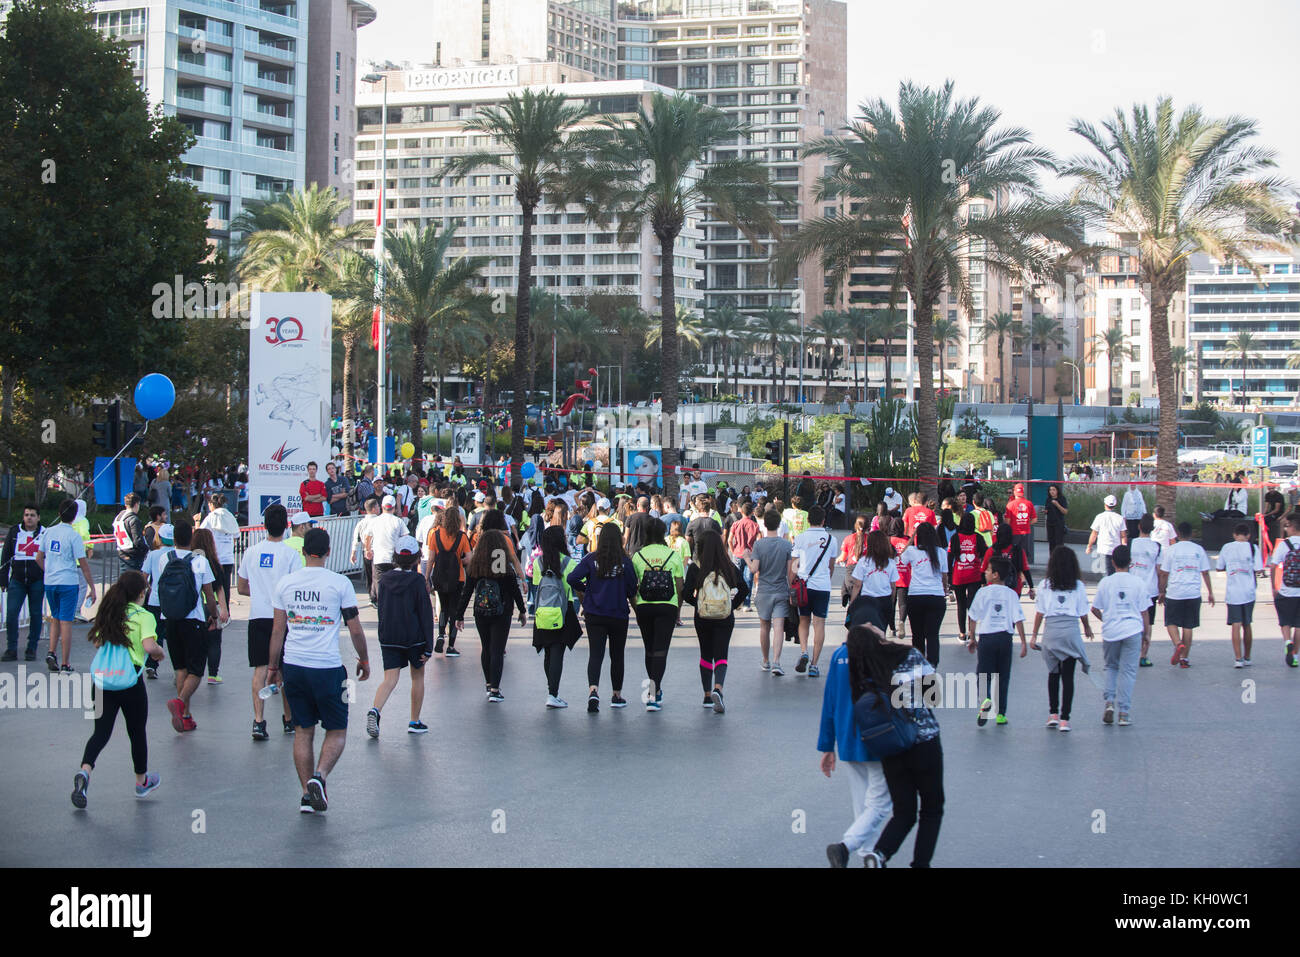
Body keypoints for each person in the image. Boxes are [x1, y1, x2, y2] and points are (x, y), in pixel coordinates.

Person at [267, 528, 370, 813]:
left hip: (294, 666)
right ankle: (320, 777)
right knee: (337, 730)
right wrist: (364, 659)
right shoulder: (339, 584)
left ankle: (305, 795)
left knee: (303, 731)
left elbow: (277, 630)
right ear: (327, 552)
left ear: (302, 552)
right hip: (327, 667)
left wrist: (273, 667)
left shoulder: (286, 584)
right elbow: (355, 628)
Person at [849, 623, 944, 869]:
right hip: (924, 740)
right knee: (932, 808)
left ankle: (879, 855)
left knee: (904, 811)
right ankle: (920, 863)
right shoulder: (909, 654)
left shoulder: (864, 673)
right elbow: (934, 696)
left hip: (892, 748)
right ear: (876, 638)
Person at [70, 570, 166, 809]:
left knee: (100, 732)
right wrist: (159, 653)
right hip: (130, 681)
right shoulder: (144, 616)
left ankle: (85, 771)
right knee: (136, 732)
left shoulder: (110, 612)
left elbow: (98, 642)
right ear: (142, 593)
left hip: (103, 681)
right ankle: (141, 782)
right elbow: (148, 645)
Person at [819, 627, 893, 867]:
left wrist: (827, 745)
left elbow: (829, 701)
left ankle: (867, 853)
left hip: (848, 739)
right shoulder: (882, 655)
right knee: (881, 801)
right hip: (879, 740)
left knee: (861, 801)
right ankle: (848, 847)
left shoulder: (839, 655)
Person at [236, 503, 300, 739]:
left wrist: (262, 593)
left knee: (260, 670)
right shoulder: (291, 555)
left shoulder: (251, 552)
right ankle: (288, 719)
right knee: (284, 668)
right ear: (286, 526)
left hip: (258, 616)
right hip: (282, 619)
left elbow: (242, 587)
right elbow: (294, 589)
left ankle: (258, 721)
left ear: (264, 525)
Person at [150, 520, 218, 733]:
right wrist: (214, 615)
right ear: (191, 537)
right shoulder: (199, 561)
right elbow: (209, 594)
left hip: (169, 618)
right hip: (194, 620)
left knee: (180, 668)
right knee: (196, 670)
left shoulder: (164, 559)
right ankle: (180, 702)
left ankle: (186, 716)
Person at [367, 535, 434, 736]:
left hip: (389, 636)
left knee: (389, 679)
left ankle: (375, 710)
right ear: (416, 558)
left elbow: (381, 608)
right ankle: (414, 721)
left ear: (395, 556)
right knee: (417, 677)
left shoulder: (385, 579)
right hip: (414, 637)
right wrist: (428, 646)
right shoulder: (417, 581)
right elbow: (425, 613)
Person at [567, 523, 636, 712]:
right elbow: (632, 588)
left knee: (595, 653)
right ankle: (616, 694)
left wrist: (587, 590)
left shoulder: (591, 559)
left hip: (594, 612)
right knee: (617, 655)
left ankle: (593, 690)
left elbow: (572, 578)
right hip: (618, 613)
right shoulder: (625, 561)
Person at [454, 528, 528, 703]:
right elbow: (513, 588)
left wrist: (459, 615)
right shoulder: (502, 564)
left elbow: (467, 591)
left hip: (481, 611)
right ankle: (495, 689)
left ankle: (488, 684)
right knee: (497, 649)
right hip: (502, 611)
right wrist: (522, 610)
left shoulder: (476, 564)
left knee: (486, 647)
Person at [682, 528, 749, 713]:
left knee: (705, 654)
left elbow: (686, 593)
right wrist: (732, 605)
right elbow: (744, 588)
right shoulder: (727, 566)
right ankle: (718, 688)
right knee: (721, 654)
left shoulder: (697, 567)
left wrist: (699, 604)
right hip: (724, 617)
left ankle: (706, 695)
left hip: (703, 617)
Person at [1030, 545, 1094, 732]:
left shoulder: (1045, 585)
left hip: (1051, 632)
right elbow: (1083, 612)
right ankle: (1065, 719)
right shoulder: (1078, 585)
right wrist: (1087, 627)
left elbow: (1040, 612)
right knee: (1068, 677)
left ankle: (1053, 714)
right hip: (1070, 632)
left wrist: (1034, 635)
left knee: (1053, 673)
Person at [630, 516, 686, 711]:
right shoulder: (673, 555)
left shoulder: (638, 556)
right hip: (667, 606)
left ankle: (653, 690)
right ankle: (656, 691)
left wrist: (636, 606)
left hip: (644, 605)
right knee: (661, 650)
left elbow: (631, 585)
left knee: (649, 649)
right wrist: (678, 609)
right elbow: (679, 586)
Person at [965, 558, 1028, 727]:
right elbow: (1018, 619)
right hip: (1004, 638)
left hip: (986, 638)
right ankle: (1001, 714)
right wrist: (1023, 642)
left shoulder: (982, 592)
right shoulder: (1011, 594)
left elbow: (972, 616)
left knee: (983, 674)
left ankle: (986, 700)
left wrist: (972, 637)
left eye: (988, 570)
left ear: (995, 575)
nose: (985, 572)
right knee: (1003, 676)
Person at [36, 499, 97, 673]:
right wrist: (92, 588)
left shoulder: (48, 532)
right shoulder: (74, 536)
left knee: (55, 617)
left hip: (50, 582)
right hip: (68, 582)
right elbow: (84, 565)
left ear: (58, 514)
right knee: (66, 623)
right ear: (75, 516)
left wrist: (48, 571)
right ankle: (65, 663)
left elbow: (38, 558)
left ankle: (51, 652)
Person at [527, 525, 582, 709]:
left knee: (548, 651)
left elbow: (536, 588)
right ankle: (553, 693)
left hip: (542, 612)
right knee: (558, 651)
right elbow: (575, 587)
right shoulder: (568, 562)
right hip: (562, 611)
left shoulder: (538, 563)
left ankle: (551, 689)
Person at [1090, 545, 1146, 726]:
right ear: (1130, 562)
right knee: (1128, 671)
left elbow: (1094, 608)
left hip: (1111, 630)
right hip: (1132, 629)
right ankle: (1124, 712)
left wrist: (1106, 619)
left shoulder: (1106, 582)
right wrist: (1147, 633)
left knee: (1111, 667)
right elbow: (1144, 611)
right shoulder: (1138, 583)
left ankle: (1109, 702)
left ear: (1112, 562)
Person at [1158, 521, 1214, 668]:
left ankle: (1178, 643)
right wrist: (1210, 592)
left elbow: (1164, 573)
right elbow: (1206, 572)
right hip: (1193, 593)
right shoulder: (1199, 549)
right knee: (1188, 626)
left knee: (1171, 622)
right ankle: (1184, 659)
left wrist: (1162, 591)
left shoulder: (1172, 550)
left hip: (1175, 593)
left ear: (1178, 533)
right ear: (1192, 534)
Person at [789, 505, 836, 678]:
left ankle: (803, 651)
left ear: (808, 520)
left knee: (803, 620)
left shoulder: (800, 538)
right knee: (819, 624)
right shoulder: (831, 539)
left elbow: (794, 563)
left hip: (803, 585)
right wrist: (825, 578)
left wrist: (790, 583)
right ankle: (815, 664)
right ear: (824, 520)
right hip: (822, 586)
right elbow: (831, 567)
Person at [749, 509, 793, 676]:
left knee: (764, 627)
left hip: (764, 591)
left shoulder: (759, 545)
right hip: (781, 589)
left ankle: (765, 660)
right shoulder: (786, 545)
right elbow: (790, 572)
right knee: (779, 626)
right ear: (779, 524)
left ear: (765, 524)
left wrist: (747, 557)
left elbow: (754, 569)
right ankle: (777, 661)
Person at [900, 522, 949, 667]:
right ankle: (932, 664)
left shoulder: (912, 551)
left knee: (917, 635)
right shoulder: (940, 552)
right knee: (933, 635)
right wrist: (944, 589)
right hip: (936, 597)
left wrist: (911, 539)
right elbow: (944, 575)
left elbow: (900, 558)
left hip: (916, 596)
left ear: (918, 537)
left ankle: (918, 663)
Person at [427, 505, 472, 656]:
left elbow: (431, 558)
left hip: (440, 576)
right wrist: (459, 559)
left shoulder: (436, 534)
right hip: (456, 577)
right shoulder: (461, 537)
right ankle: (451, 646)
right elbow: (469, 558)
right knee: (454, 610)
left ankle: (440, 634)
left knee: (444, 607)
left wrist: (427, 577)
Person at [1217, 521, 1263, 668]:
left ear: (1234, 535)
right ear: (1248, 535)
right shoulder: (1253, 548)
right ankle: (1248, 657)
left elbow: (1219, 567)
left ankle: (1238, 658)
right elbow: (1258, 569)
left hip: (1233, 592)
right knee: (1247, 624)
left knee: (1235, 625)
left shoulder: (1227, 547)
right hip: (1249, 592)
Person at [2, 503, 44, 662]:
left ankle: (31, 648)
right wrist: (3, 578)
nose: (29, 518)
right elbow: (6, 555)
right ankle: (11, 648)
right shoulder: (14, 532)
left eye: (32, 515)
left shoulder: (44, 533)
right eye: (26, 515)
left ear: (38, 517)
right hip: (17, 580)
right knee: (12, 613)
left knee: (35, 614)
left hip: (37, 580)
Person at [190, 528, 231, 685]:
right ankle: (213, 675)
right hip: (212, 605)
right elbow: (219, 588)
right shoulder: (214, 563)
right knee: (214, 642)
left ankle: (191, 673)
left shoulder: (190, 560)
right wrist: (224, 609)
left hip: (195, 606)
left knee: (195, 642)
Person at [1127, 514, 1165, 668]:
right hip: (1150, 590)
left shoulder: (1130, 544)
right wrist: (1162, 591)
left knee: (1131, 621)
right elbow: (1160, 571)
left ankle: (1130, 653)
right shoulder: (1157, 547)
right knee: (1148, 623)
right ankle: (1143, 655)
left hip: (1132, 589)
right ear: (1153, 529)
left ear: (1138, 527)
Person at [844, 530, 897, 636]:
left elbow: (857, 585)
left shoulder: (864, 561)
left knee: (868, 633)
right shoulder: (890, 562)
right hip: (885, 599)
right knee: (881, 631)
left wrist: (853, 602)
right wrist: (891, 601)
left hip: (868, 600)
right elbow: (893, 586)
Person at [1269, 511, 1300, 668]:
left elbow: (1273, 566)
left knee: (1285, 621)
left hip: (1286, 590)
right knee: (1299, 626)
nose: (1286, 529)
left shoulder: (1284, 545)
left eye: (1287, 526)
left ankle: (1288, 642)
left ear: (1292, 527)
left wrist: (1274, 587)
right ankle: (1295, 656)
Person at [979, 523, 1034, 598]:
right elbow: (1025, 570)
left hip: (994, 589)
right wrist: (1031, 587)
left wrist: (983, 585)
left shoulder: (991, 551)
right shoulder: (1018, 550)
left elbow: (983, 570)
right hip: (1014, 589)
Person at [365, 495, 409, 586]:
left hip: (379, 559)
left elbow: (367, 537)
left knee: (380, 586)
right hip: (395, 559)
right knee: (395, 585)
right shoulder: (398, 521)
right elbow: (406, 537)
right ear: (394, 508)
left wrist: (368, 550)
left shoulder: (375, 521)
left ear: (382, 507)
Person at [726, 500, 760, 612]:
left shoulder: (736, 524)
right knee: (748, 579)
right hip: (750, 554)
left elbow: (730, 540)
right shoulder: (755, 525)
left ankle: (738, 601)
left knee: (737, 579)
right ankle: (746, 603)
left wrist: (733, 551)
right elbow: (759, 541)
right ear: (751, 513)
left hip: (738, 553)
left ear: (741, 512)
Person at [350, 497, 381, 606]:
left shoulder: (361, 523)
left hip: (365, 550)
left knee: (369, 575)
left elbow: (356, 538)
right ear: (373, 509)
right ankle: (376, 597)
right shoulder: (379, 521)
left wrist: (353, 553)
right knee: (376, 575)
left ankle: (371, 597)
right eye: (377, 506)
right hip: (376, 550)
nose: (379, 508)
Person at [1086, 494, 1127, 575]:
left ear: (1105, 505)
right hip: (1116, 550)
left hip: (1103, 549)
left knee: (1106, 573)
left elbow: (1094, 534)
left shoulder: (1099, 517)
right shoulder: (1120, 518)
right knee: (1115, 573)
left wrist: (1089, 546)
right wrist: (1123, 548)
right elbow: (1123, 536)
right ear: (1115, 505)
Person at [112, 493, 148, 572]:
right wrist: (146, 549)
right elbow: (138, 541)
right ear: (136, 504)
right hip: (133, 555)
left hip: (121, 552)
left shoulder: (119, 517)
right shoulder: (133, 519)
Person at [1004, 483, 1037, 565]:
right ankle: (1023, 569)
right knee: (1023, 554)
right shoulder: (1029, 504)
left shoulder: (1010, 505)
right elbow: (1035, 520)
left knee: (1013, 553)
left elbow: (1007, 522)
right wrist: (1025, 523)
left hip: (1014, 532)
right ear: (1023, 492)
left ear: (1014, 492)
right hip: (1026, 532)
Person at [1044, 484, 1069, 555]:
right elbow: (1047, 509)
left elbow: (1065, 511)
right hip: (1050, 523)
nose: (1052, 492)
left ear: (1057, 491)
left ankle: (1060, 558)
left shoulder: (1062, 499)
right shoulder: (1048, 499)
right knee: (1051, 542)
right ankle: (1052, 557)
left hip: (1059, 523)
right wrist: (1045, 511)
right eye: (1050, 490)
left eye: (1053, 490)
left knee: (1059, 542)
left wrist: (1057, 504)